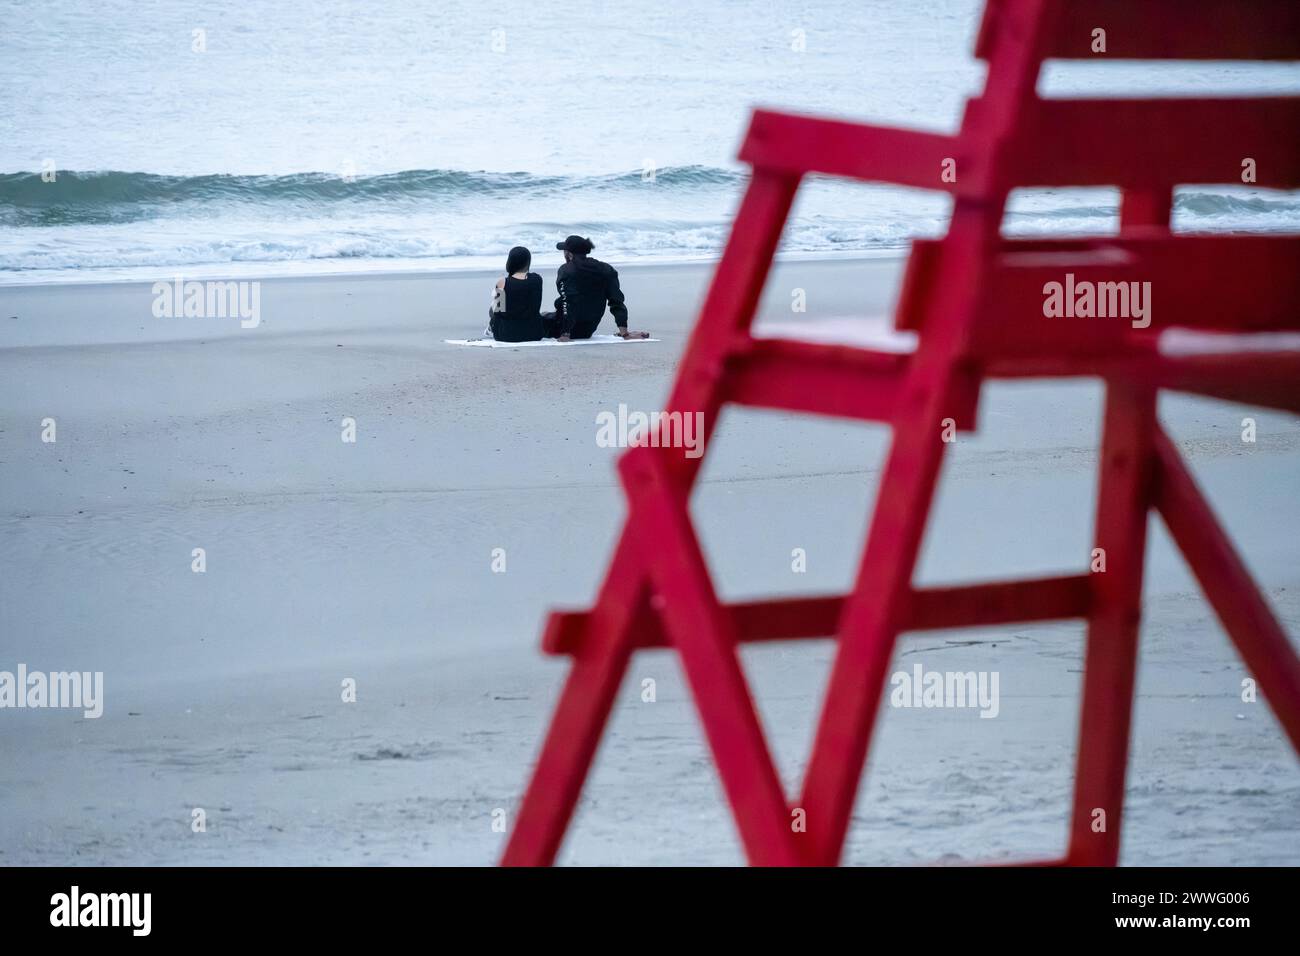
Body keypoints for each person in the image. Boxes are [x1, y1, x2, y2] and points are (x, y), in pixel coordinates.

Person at [542, 235, 650, 342]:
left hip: (562, 329)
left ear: (568, 254)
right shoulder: (606, 269)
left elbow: (569, 301)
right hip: (588, 329)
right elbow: (616, 301)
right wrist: (625, 334)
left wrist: (565, 334)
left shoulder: (566, 270)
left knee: (542, 316)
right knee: (554, 309)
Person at [487, 246, 544, 342]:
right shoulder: (537, 279)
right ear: (528, 262)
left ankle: (489, 329)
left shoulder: (502, 282)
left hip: (507, 335)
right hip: (534, 333)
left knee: (494, 309)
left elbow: (497, 311)